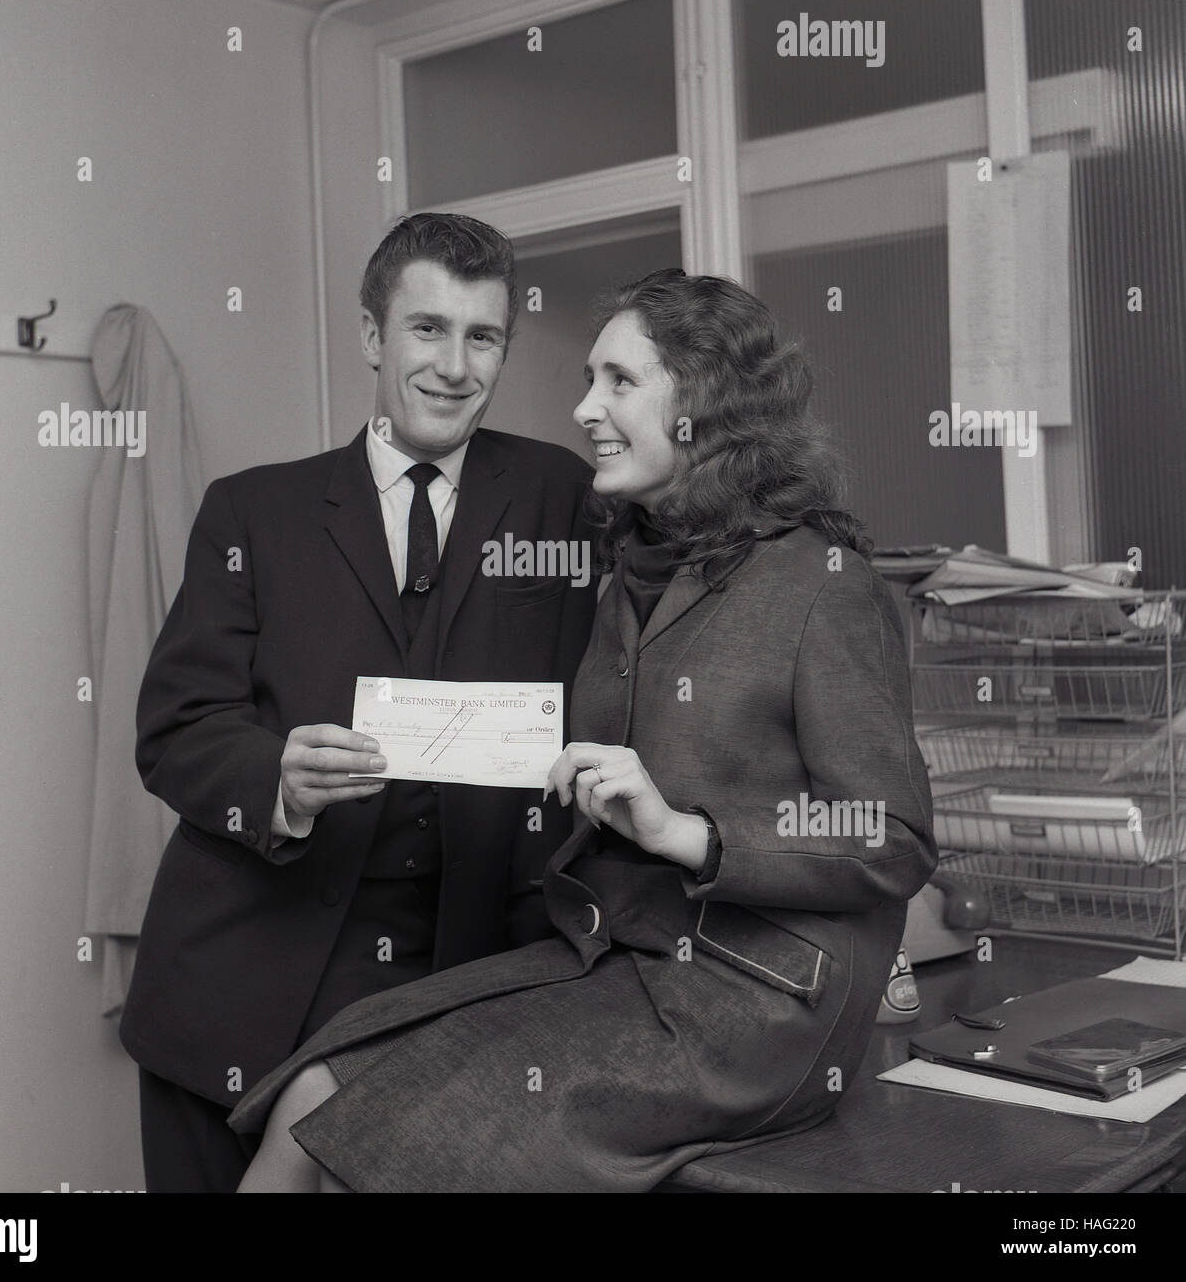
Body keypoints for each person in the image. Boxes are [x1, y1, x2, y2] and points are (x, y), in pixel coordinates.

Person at [228, 268, 938, 1193]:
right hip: (617, 956)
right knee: (311, 1093)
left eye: (619, 382)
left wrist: (687, 835)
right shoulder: (628, 575)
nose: (583, 408)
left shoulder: (821, 581)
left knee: (368, 1134)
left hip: (756, 1003)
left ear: (707, 404)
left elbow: (893, 835)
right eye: (589, 379)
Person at [120, 213, 598, 1192]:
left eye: (483, 337)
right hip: (232, 979)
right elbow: (174, 729)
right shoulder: (252, 511)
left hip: (444, 990)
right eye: (427, 329)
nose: (455, 366)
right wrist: (276, 781)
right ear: (374, 337)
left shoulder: (564, 499)